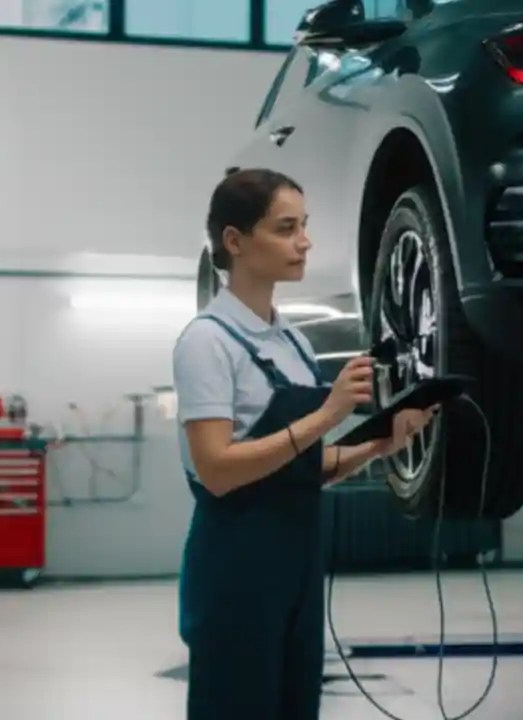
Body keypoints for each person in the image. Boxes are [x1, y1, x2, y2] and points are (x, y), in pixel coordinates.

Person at [173, 168, 436, 719]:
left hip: (298, 564)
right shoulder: (206, 343)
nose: (305, 241)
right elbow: (217, 468)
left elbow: (299, 467)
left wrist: (379, 444)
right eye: (286, 228)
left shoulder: (292, 341)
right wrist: (330, 414)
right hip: (235, 567)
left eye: (305, 226)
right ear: (235, 242)